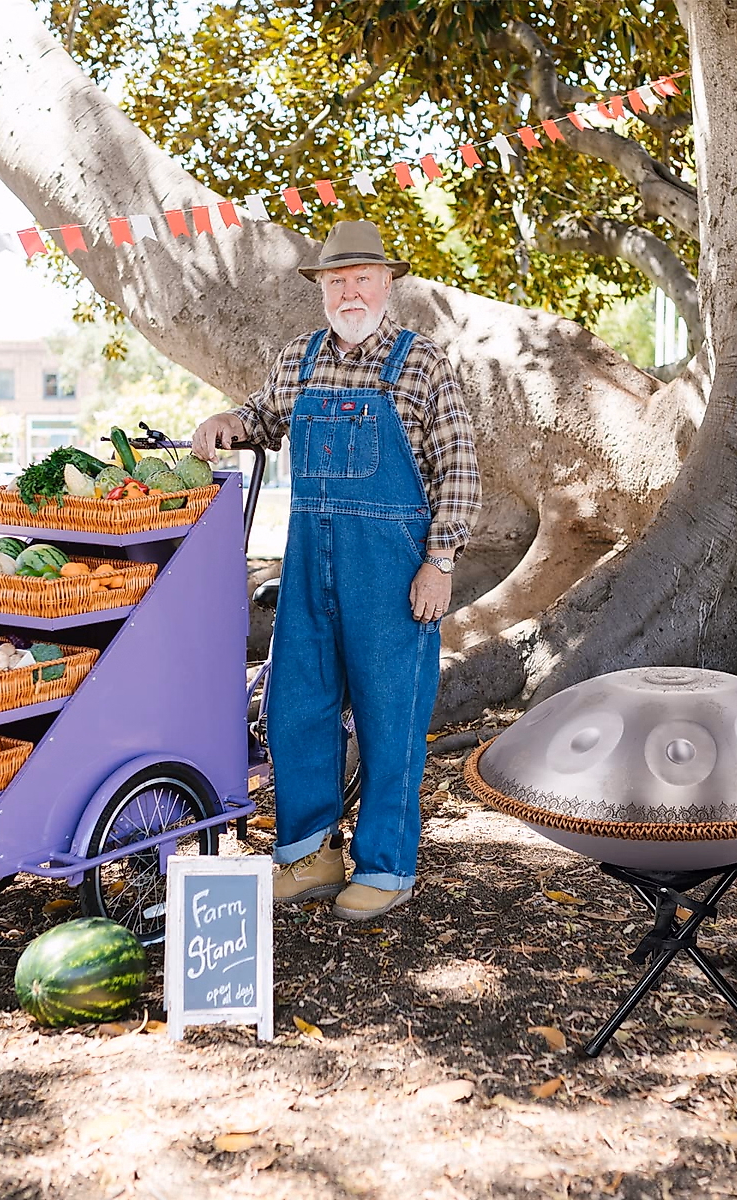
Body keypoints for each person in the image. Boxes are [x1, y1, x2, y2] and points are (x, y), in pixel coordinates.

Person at [192, 220, 480, 921]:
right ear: (321, 288)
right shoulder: (299, 358)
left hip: (392, 573)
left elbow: (460, 471)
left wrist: (440, 561)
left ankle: (386, 866)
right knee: (297, 707)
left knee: (390, 718)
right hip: (308, 568)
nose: (350, 292)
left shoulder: (421, 364)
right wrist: (228, 421)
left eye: (362, 279)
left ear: (386, 284)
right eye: (336, 281)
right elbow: (263, 417)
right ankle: (309, 855)